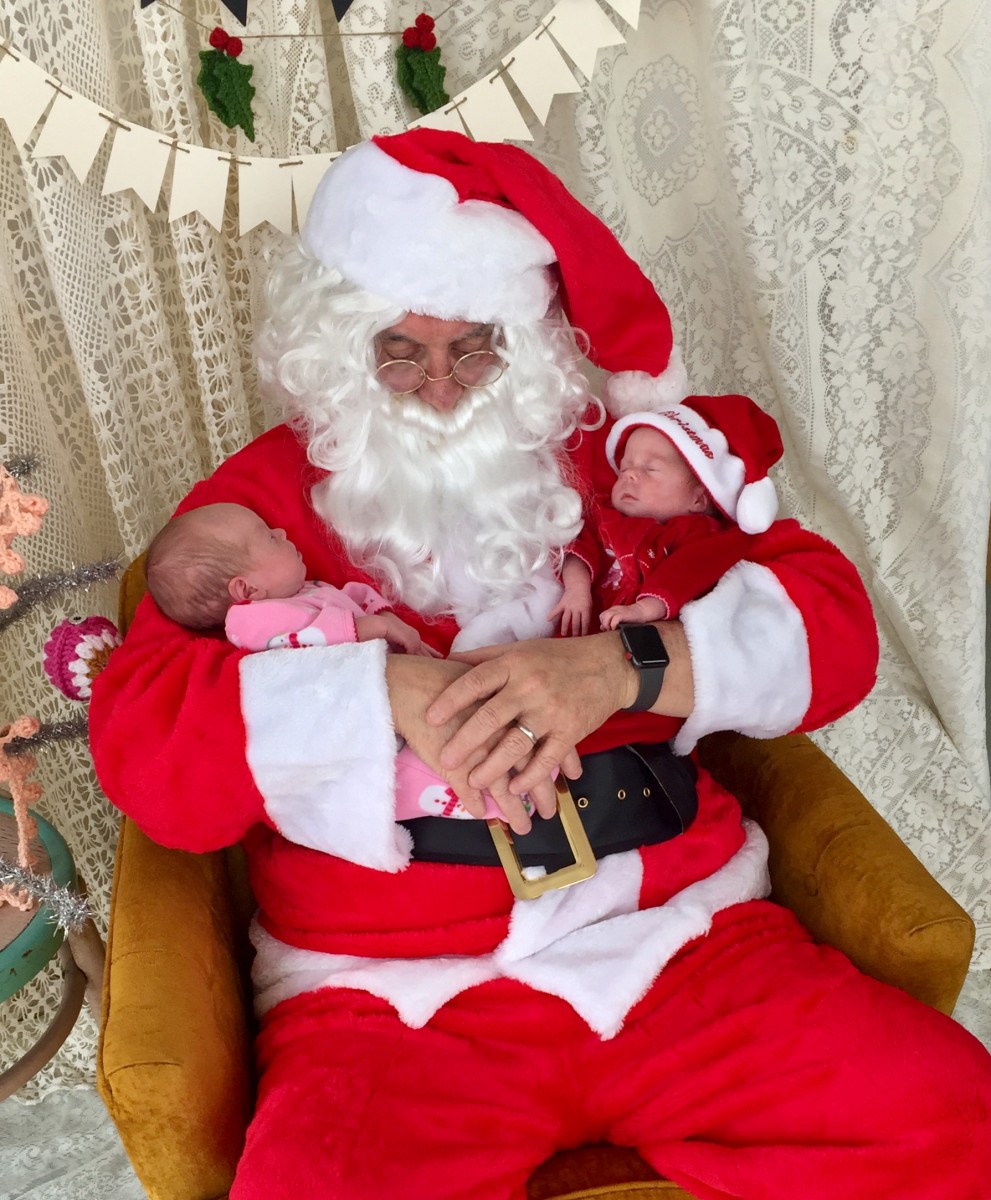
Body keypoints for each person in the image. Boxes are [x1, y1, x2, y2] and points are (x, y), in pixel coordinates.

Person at [89, 128, 991, 1200]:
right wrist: (382, 691)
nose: (438, 387)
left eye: (474, 349)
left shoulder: (625, 467)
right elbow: (145, 745)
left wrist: (623, 668)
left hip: (684, 943)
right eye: (398, 351)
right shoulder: (259, 514)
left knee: (957, 1128)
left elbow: (833, 626)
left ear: (526, 342)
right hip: (393, 997)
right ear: (336, 344)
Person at [143, 500, 519, 823]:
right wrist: (373, 627)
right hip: (368, 740)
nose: (282, 532)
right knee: (432, 770)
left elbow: (355, 598)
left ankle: (507, 780)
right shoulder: (248, 621)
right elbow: (303, 646)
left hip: (401, 705)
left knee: (467, 728)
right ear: (247, 589)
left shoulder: (307, 592)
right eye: (270, 537)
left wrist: (384, 616)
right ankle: (502, 803)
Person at [550, 394, 781, 636]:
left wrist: (644, 609)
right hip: (582, 630)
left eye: (650, 469)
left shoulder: (699, 534)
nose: (629, 474)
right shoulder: (605, 515)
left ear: (698, 498)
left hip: (640, 639)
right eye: (625, 467)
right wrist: (577, 589)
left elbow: (687, 571)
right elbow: (577, 543)